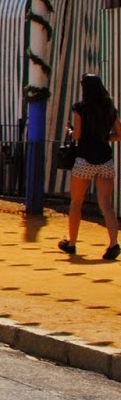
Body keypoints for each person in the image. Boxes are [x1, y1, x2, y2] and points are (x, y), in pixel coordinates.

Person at [60, 73, 120, 260]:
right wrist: (105, 138)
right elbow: (118, 134)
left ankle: (72, 243)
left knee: (76, 202)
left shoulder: (80, 108)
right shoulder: (110, 108)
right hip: (105, 159)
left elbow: (77, 136)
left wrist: (70, 131)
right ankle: (113, 244)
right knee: (105, 204)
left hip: (84, 159)